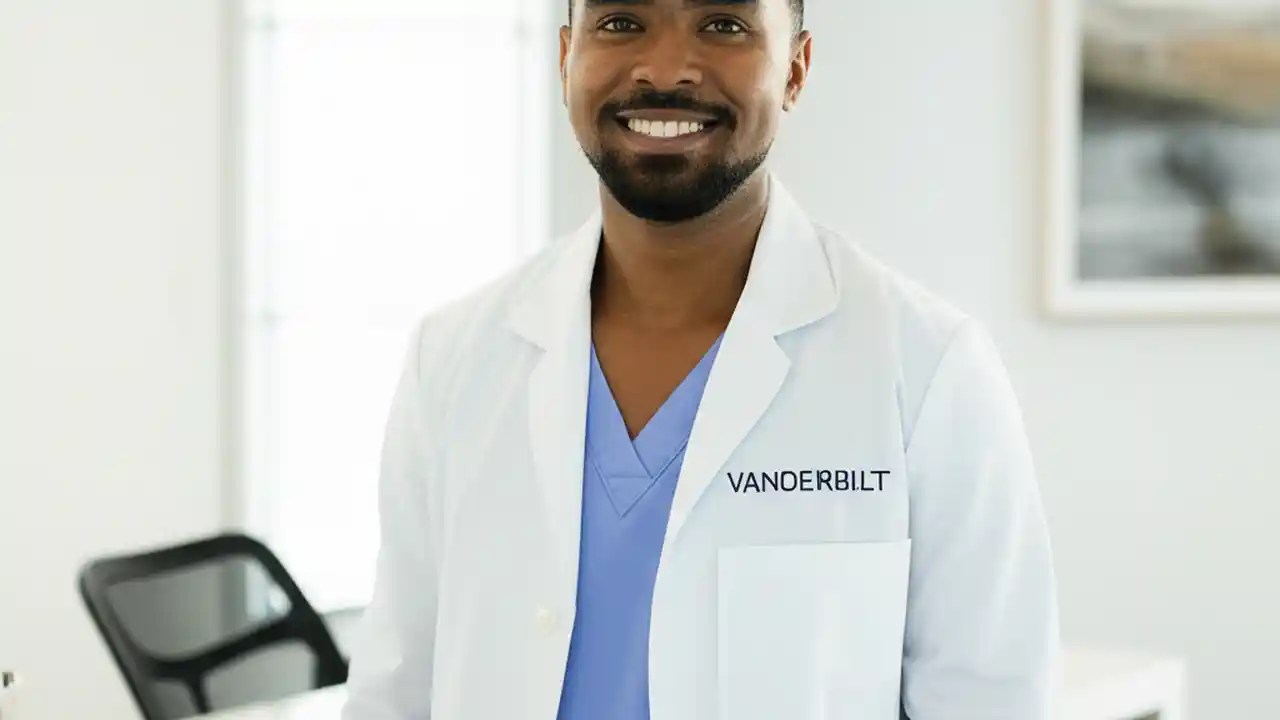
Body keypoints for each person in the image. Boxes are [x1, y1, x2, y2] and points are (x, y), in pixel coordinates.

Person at [342, 0, 1060, 717]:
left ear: (795, 70)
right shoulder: (454, 358)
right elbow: (395, 693)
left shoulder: (926, 368)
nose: (665, 69)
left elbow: (992, 700)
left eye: (723, 24)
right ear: (566, 60)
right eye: (621, 23)